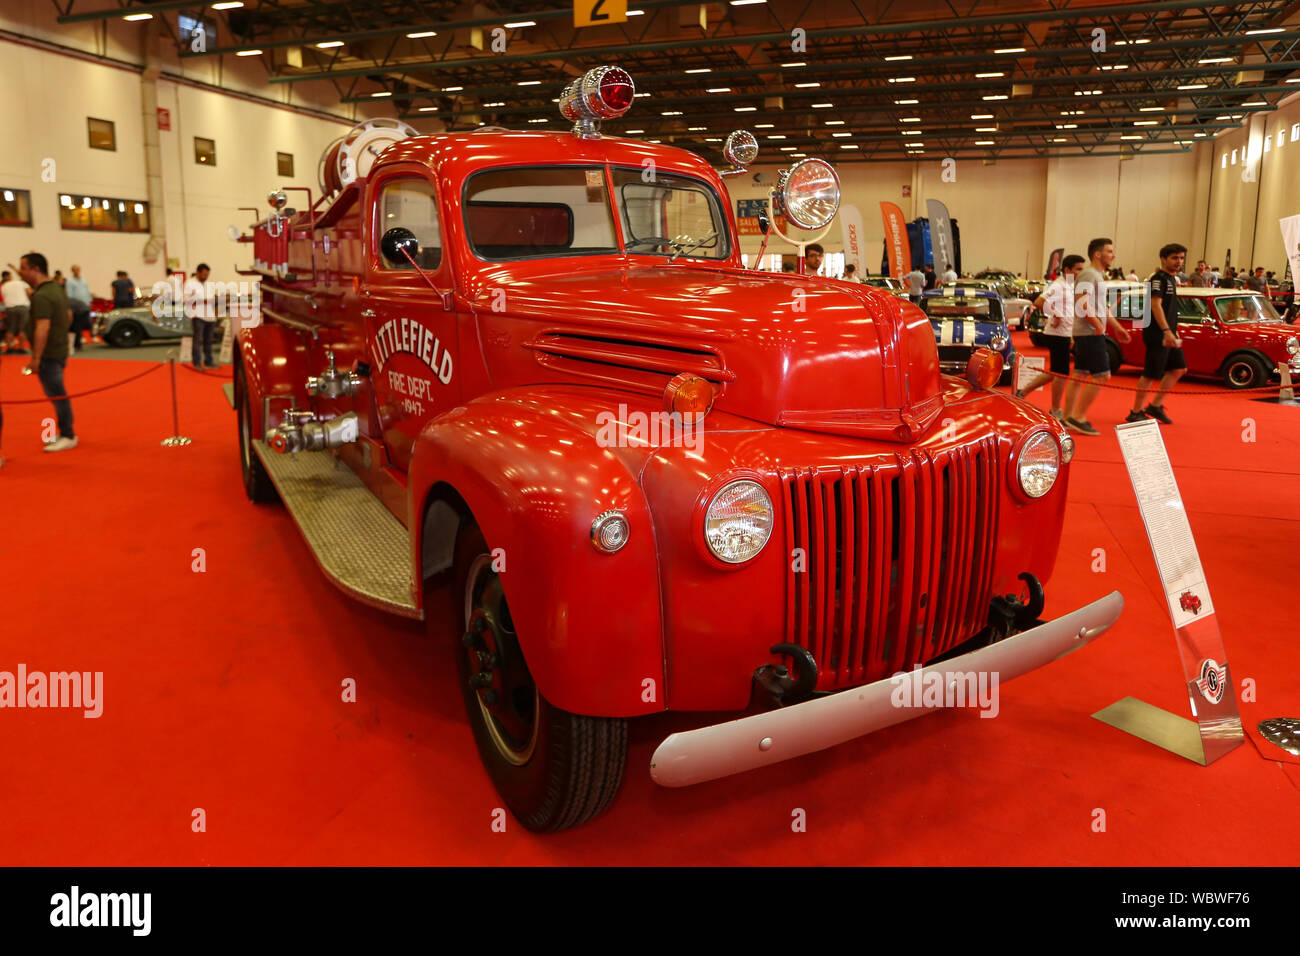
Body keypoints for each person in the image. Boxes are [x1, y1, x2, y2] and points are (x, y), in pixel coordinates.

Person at [1063, 237, 1131, 437]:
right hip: (1089, 332)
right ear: (1097, 254)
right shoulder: (1089, 274)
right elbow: (1081, 303)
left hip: (1090, 331)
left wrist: (1116, 327)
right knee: (1102, 375)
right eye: (1110, 251)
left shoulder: (1097, 276)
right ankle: (1078, 416)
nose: (1113, 254)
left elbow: (1102, 308)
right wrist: (1097, 325)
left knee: (1080, 375)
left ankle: (1068, 416)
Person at [18, 252, 76, 452]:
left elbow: (42, 328)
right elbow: (68, 316)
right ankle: (65, 432)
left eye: (23, 268)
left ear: (36, 269)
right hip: (58, 350)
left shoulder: (42, 295)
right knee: (57, 392)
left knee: (57, 393)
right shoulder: (57, 289)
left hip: (49, 354)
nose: (20, 273)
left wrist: (35, 358)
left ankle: (68, 434)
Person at [1018, 253, 1085, 420]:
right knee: (1061, 373)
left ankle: (1023, 391)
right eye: (1078, 269)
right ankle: (1055, 409)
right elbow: (1039, 303)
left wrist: (1071, 335)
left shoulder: (1071, 286)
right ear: (1068, 269)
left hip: (1065, 334)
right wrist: (1056, 315)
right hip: (1056, 334)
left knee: (1057, 372)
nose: (1081, 272)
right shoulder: (1058, 286)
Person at [1128, 243, 1188, 425]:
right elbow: (1155, 305)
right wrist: (1166, 331)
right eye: (1175, 258)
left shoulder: (1172, 279)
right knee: (1150, 373)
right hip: (1158, 334)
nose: (1179, 262)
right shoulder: (1158, 279)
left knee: (1179, 369)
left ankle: (1155, 406)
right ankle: (1135, 412)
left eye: (1182, 258)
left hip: (1169, 333)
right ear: (1163, 259)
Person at [186, 263, 218, 369]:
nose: (206, 277)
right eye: (204, 274)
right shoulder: (189, 283)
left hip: (210, 315)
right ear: (198, 272)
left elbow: (213, 298)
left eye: (207, 275)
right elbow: (185, 299)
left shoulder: (209, 284)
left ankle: (209, 361)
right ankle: (197, 363)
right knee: (198, 340)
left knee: (208, 340)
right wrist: (201, 300)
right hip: (197, 315)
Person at [2, 268, 32, 354]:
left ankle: (9, 347)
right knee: (22, 329)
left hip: (10, 308)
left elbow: (4, 298)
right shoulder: (22, 283)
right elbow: (30, 293)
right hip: (23, 307)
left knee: (10, 329)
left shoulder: (4, 286)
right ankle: (22, 348)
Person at [65, 264, 92, 353]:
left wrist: (89, 301)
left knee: (82, 325)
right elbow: (69, 295)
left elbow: (87, 291)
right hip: (76, 306)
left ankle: (78, 342)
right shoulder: (70, 281)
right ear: (72, 271)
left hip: (85, 305)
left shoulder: (83, 280)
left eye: (78, 269)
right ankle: (76, 344)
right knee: (76, 326)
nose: (77, 271)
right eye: (75, 270)